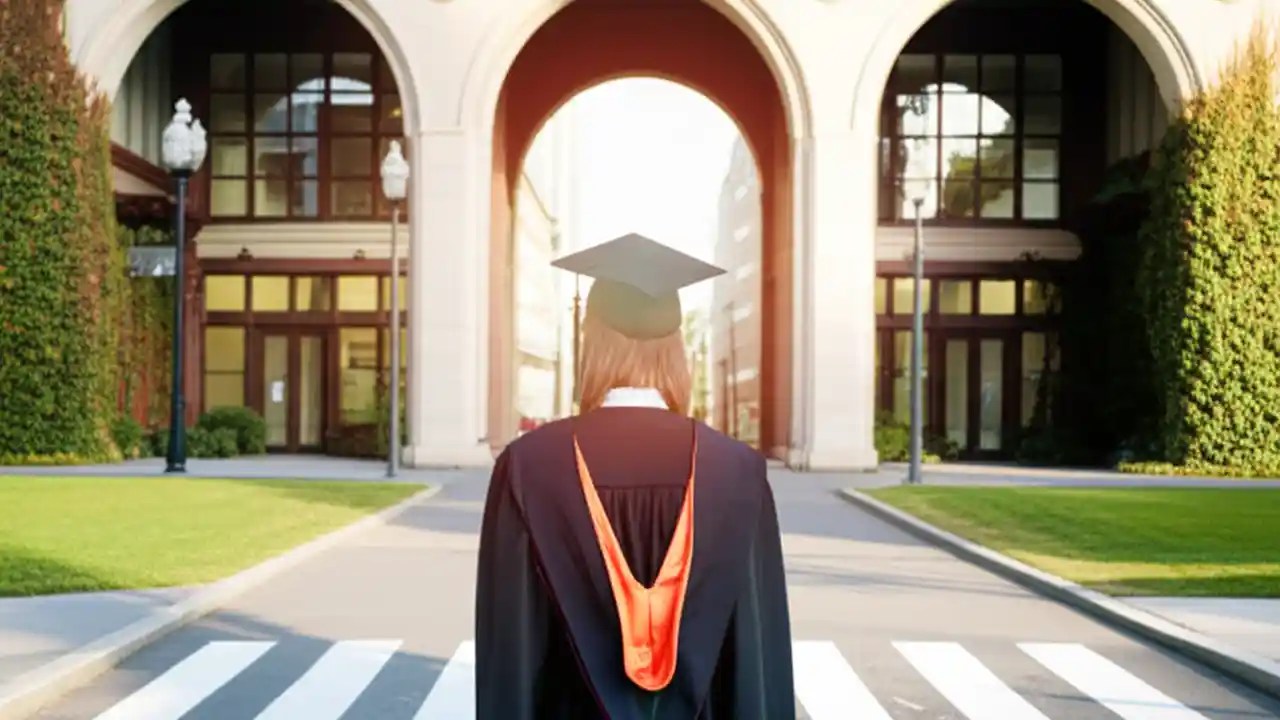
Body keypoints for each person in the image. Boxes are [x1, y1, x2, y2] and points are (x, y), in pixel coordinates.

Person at [475, 233, 794, 719]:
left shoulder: (529, 468)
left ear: (591, 343)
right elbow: (755, 662)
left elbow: (511, 661)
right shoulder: (737, 473)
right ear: (677, 348)